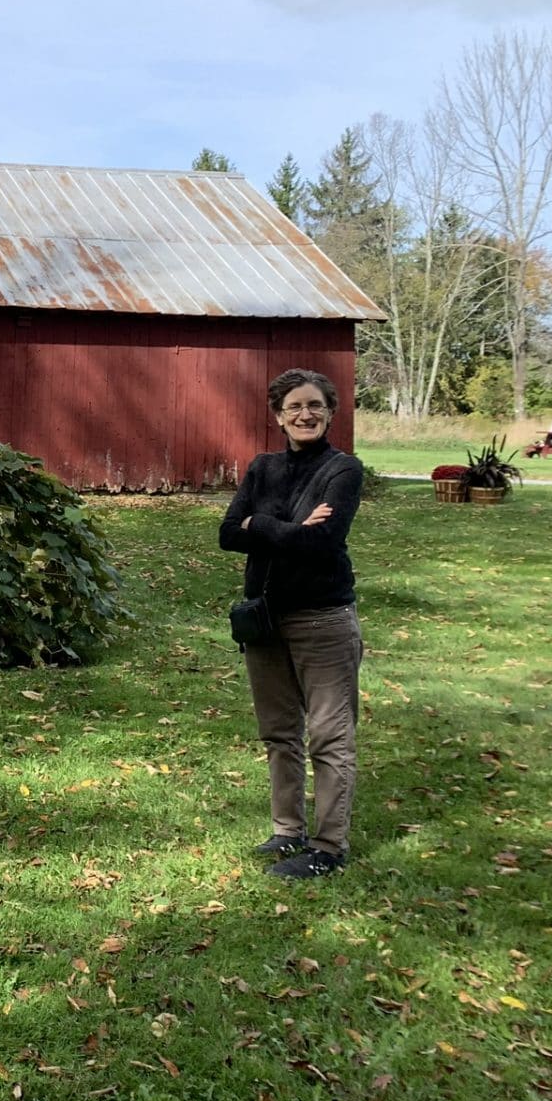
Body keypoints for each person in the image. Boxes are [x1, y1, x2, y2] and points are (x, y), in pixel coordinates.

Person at [218, 369, 366, 879]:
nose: (305, 415)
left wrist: (261, 525)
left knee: (329, 735)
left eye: (315, 406)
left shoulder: (343, 470)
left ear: (330, 412)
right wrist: (284, 529)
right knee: (279, 733)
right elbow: (227, 534)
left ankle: (328, 845)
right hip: (264, 620)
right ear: (278, 416)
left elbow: (321, 544)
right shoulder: (263, 468)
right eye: (293, 407)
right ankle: (287, 831)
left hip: (322, 620)